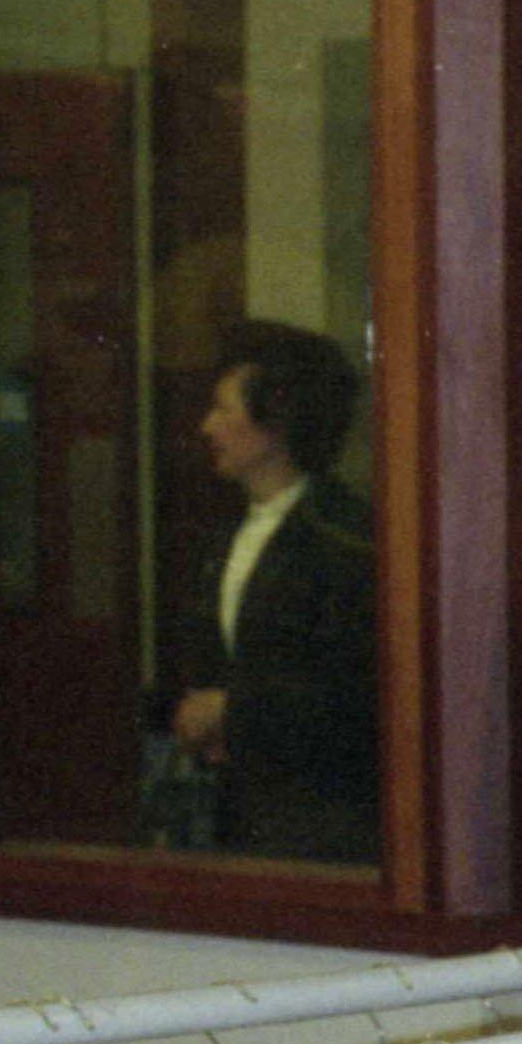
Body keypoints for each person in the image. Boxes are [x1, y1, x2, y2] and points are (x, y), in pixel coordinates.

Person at [171, 321, 380, 861]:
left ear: (276, 425)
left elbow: (355, 688)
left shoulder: (346, 538)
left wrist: (234, 712)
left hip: (324, 822)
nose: (206, 426)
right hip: (244, 810)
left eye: (223, 410)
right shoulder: (227, 536)